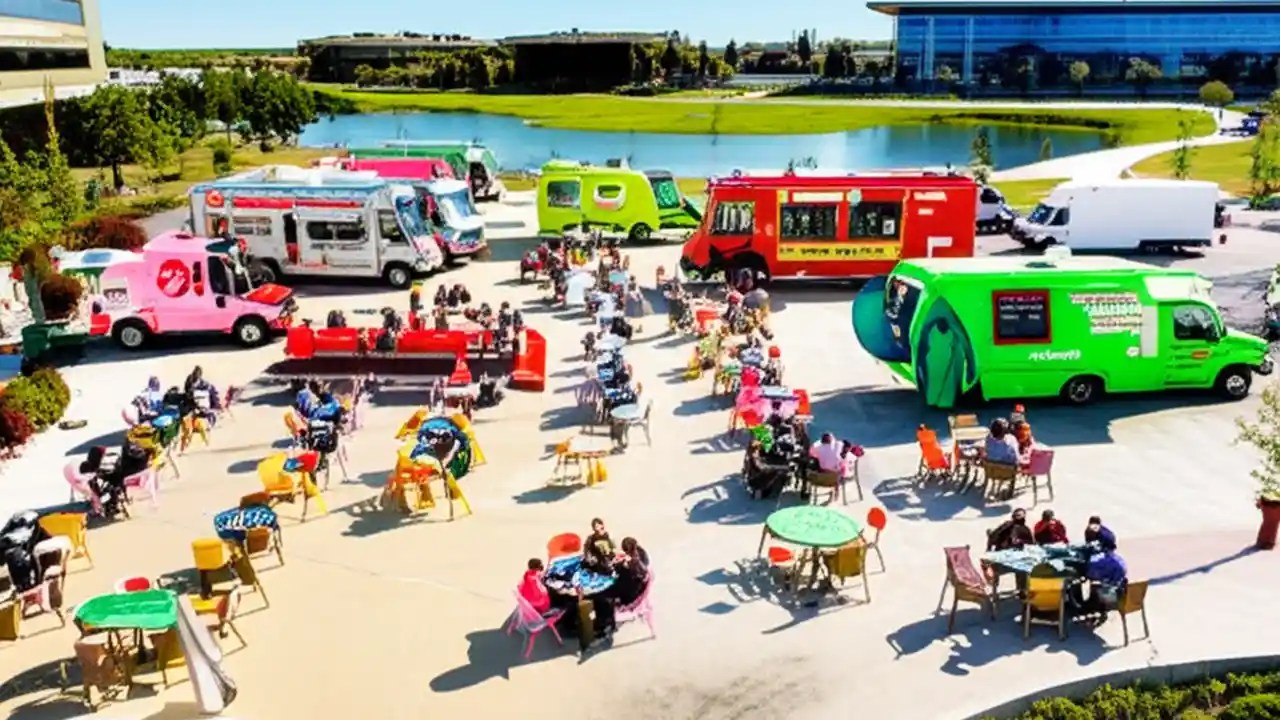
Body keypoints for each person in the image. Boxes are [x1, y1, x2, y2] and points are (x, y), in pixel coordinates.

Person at [1084, 532, 1128, 615]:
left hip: (1112, 597)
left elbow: (1090, 574)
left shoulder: (1104, 561)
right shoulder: (1119, 559)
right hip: (1121, 594)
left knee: (1095, 587)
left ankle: (1090, 610)